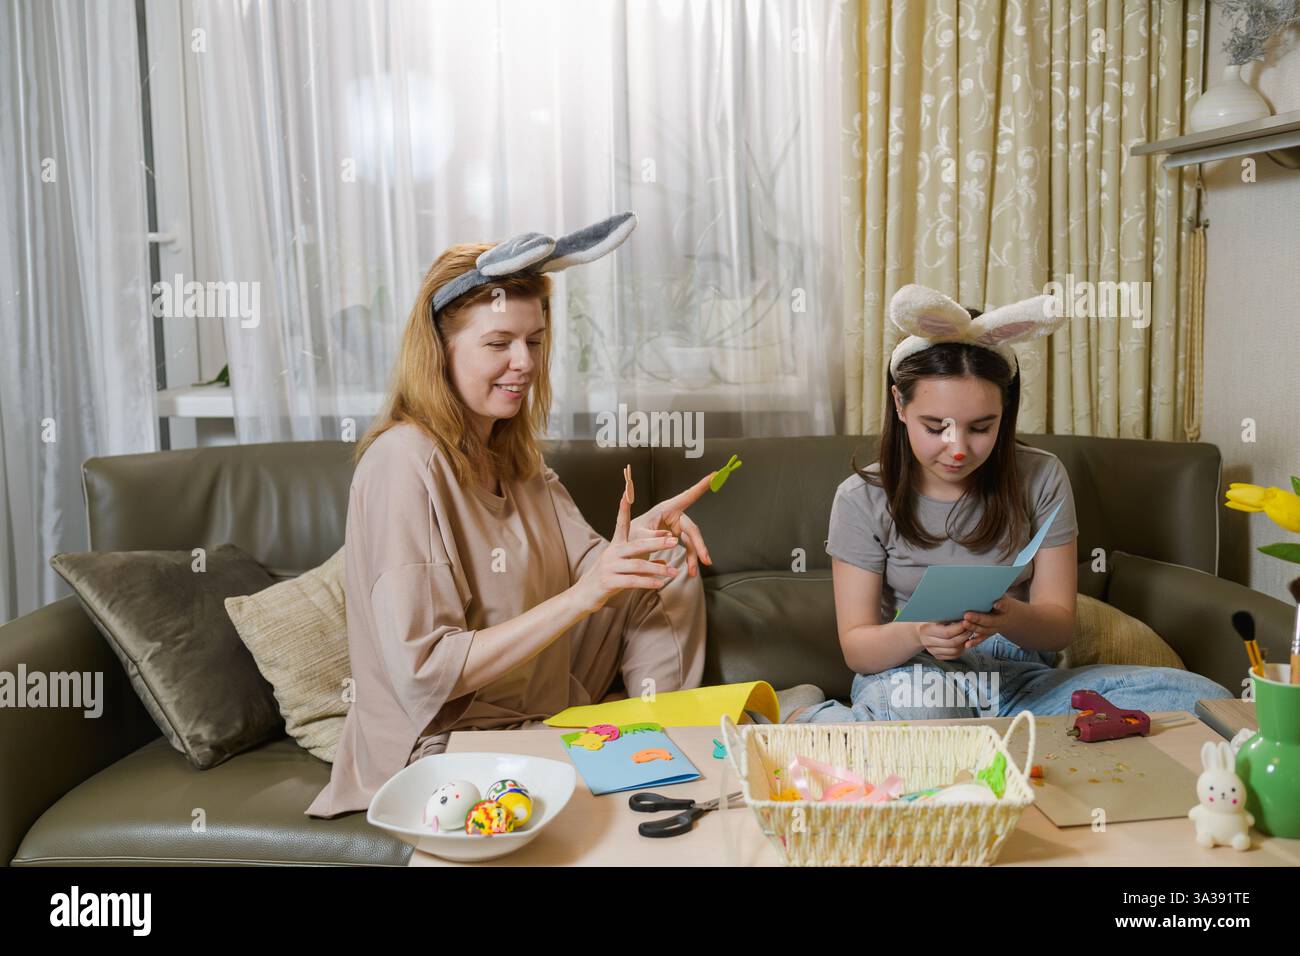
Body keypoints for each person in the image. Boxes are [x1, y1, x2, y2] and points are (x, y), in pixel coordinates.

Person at [308, 217, 712, 817]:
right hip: (443, 745)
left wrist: (642, 538)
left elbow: (592, 565)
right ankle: (628, 746)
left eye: (536, 341)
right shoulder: (403, 462)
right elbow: (426, 672)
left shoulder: (515, 455)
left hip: (538, 700)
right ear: (439, 349)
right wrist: (585, 597)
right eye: (498, 344)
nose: (523, 362)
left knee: (662, 559)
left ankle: (659, 738)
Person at [789, 284, 1233, 724]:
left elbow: (1058, 627)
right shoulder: (862, 497)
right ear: (900, 406)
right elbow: (857, 648)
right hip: (915, 677)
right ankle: (801, 718)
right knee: (936, 715)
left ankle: (877, 731)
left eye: (981, 427)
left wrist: (1006, 617)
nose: (957, 447)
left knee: (1203, 699)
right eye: (935, 425)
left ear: (1007, 411)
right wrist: (918, 632)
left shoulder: (1042, 476)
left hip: (1021, 683)